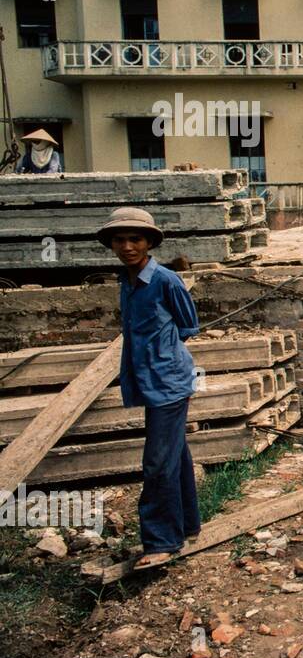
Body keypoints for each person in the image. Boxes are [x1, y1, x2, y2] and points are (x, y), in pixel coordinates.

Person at [96, 208, 201, 569]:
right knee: (175, 454)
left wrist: (163, 355)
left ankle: (160, 541)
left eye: (135, 239)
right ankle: (186, 526)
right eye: (120, 240)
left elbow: (188, 325)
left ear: (150, 243)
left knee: (157, 462)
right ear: (111, 244)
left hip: (170, 382)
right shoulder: (126, 282)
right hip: (147, 380)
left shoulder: (166, 280)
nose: (127, 247)